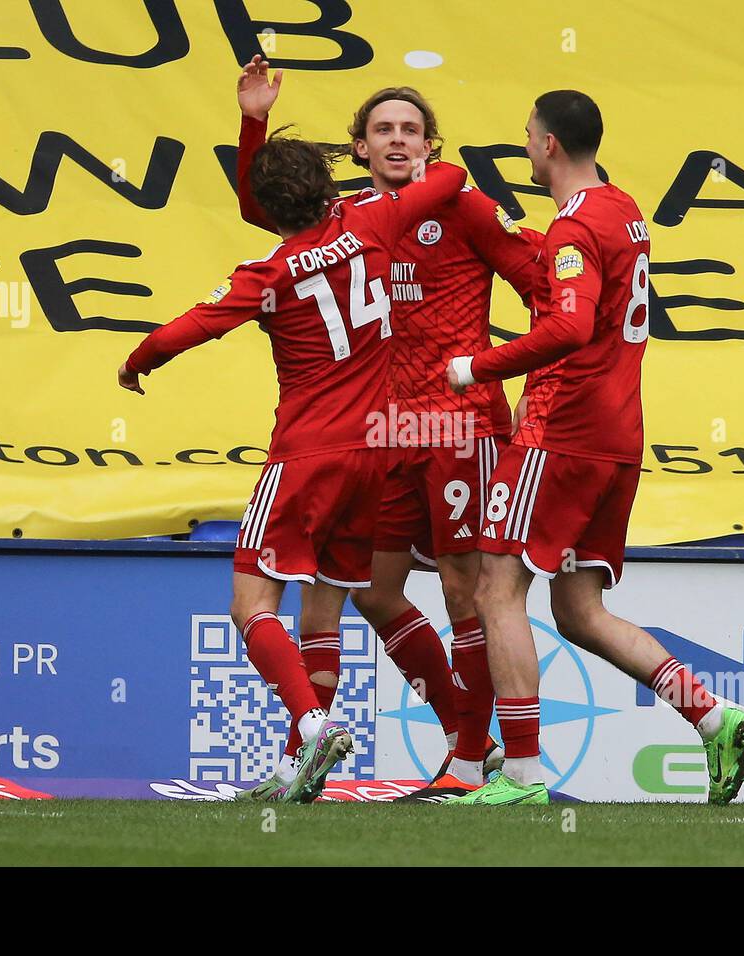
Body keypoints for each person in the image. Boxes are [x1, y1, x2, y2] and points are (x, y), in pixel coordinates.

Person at [118, 127, 468, 803]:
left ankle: (311, 723)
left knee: (250, 606)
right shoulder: (373, 224)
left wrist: (138, 362)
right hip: (375, 453)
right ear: (331, 187)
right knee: (323, 617)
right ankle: (296, 765)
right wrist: (412, 166)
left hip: (308, 455)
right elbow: (448, 179)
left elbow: (190, 326)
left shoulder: (270, 273)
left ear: (267, 206)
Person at [234, 57, 543, 797]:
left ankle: (468, 765)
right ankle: (407, 747)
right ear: (361, 150)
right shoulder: (348, 220)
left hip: (457, 429)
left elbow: (545, 289)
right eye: (383, 130)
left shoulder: (466, 208)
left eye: (411, 129)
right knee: (370, 591)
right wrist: (254, 122)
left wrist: (533, 390)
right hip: (380, 434)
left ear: (431, 146)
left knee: (464, 594)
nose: (398, 140)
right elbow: (260, 209)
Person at [444, 90, 744, 806]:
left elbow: (570, 326)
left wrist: (479, 364)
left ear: (550, 145)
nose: (525, 148)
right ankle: (712, 715)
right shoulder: (625, 209)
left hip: (562, 433)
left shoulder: (576, 228)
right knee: (579, 610)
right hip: (618, 435)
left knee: (498, 588)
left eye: (528, 137)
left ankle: (521, 777)